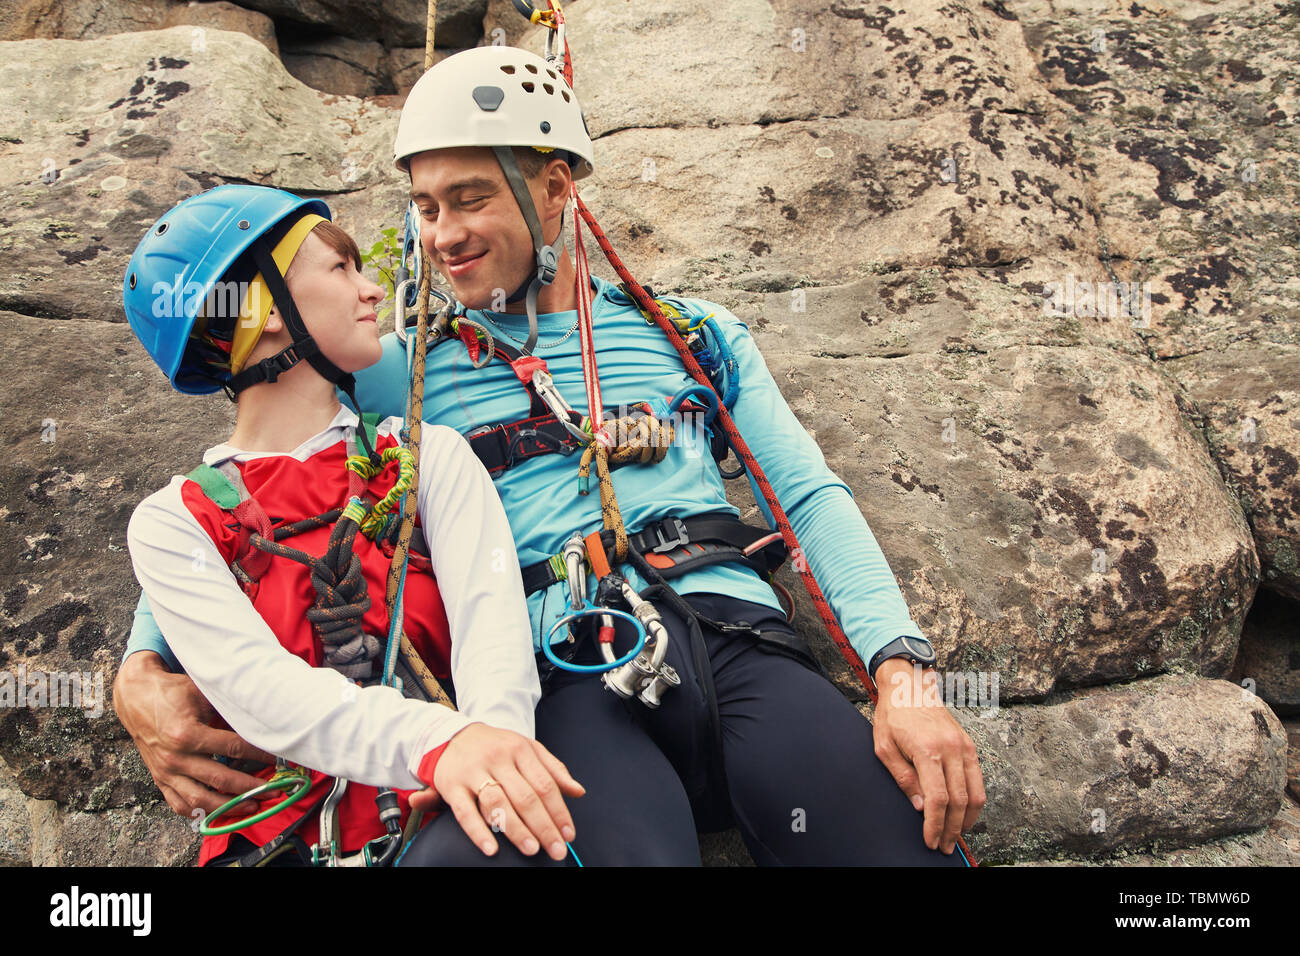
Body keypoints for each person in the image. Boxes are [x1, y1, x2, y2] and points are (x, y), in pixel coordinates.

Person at [118, 46, 986, 865]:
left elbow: (806, 497)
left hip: (736, 641)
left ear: (556, 187)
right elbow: (263, 478)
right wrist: (142, 666)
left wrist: (901, 675)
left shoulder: (687, 335)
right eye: (425, 208)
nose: (442, 235)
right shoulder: (395, 375)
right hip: (559, 682)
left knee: (896, 842)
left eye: (469, 199)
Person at [119, 183, 582, 867]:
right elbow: (260, 693)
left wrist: (493, 754)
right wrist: (445, 745)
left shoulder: (429, 458)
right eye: (341, 268)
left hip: (451, 820)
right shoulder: (170, 525)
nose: (373, 292)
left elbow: (493, 630)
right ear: (267, 308)